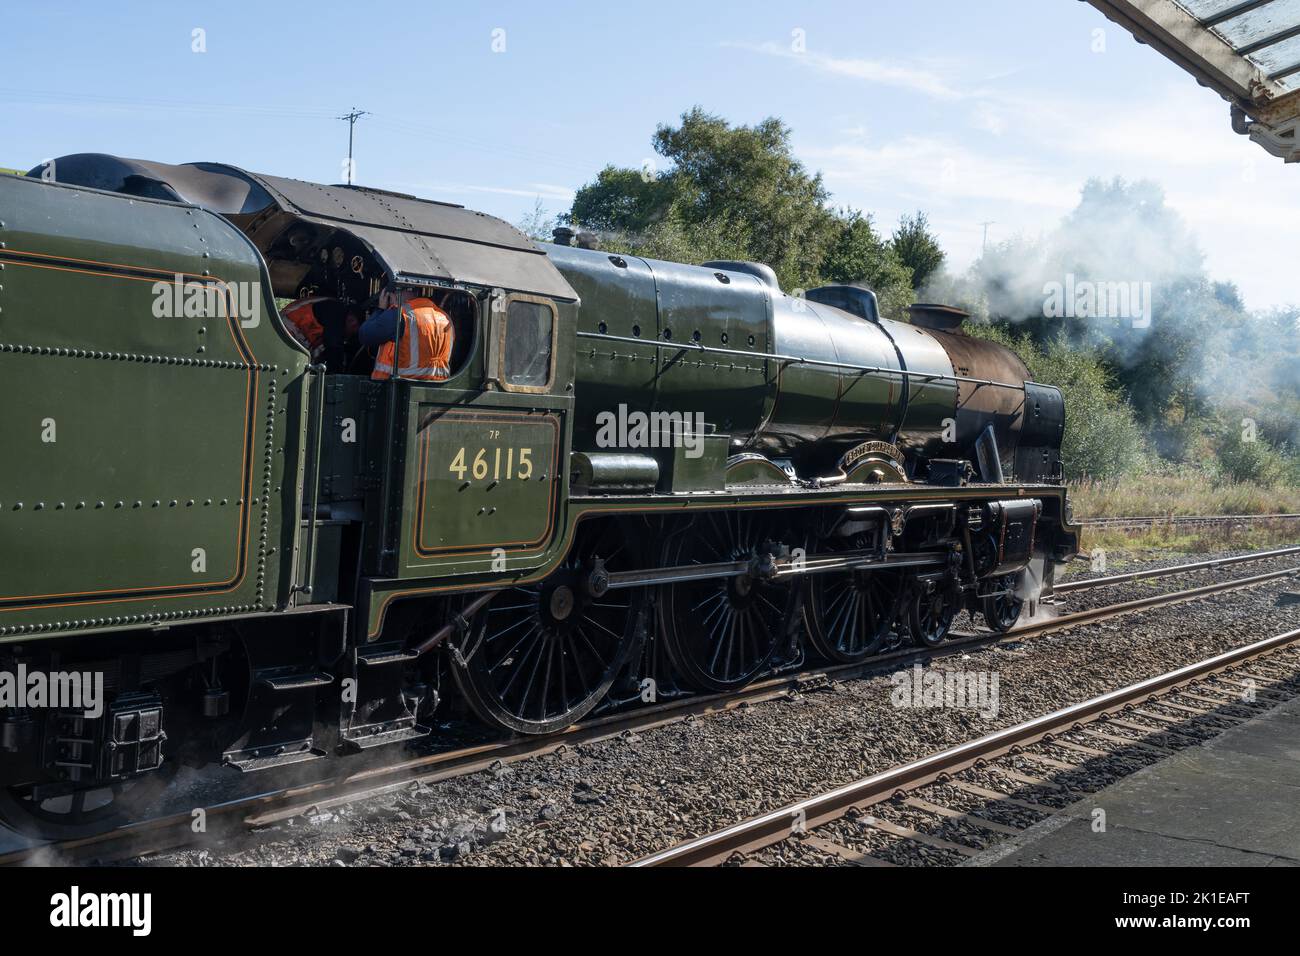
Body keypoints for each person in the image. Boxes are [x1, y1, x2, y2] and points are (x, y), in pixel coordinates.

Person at [360, 287, 454, 382]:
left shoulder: (401, 314)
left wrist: (380, 309)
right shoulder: (444, 317)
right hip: (435, 388)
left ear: (395, 294)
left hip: (397, 389)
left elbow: (365, 335)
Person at [282, 296, 363, 373]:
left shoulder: (331, 311)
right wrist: (338, 374)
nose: (349, 337)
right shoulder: (335, 312)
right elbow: (333, 346)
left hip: (290, 339)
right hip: (284, 333)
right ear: (352, 320)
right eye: (353, 332)